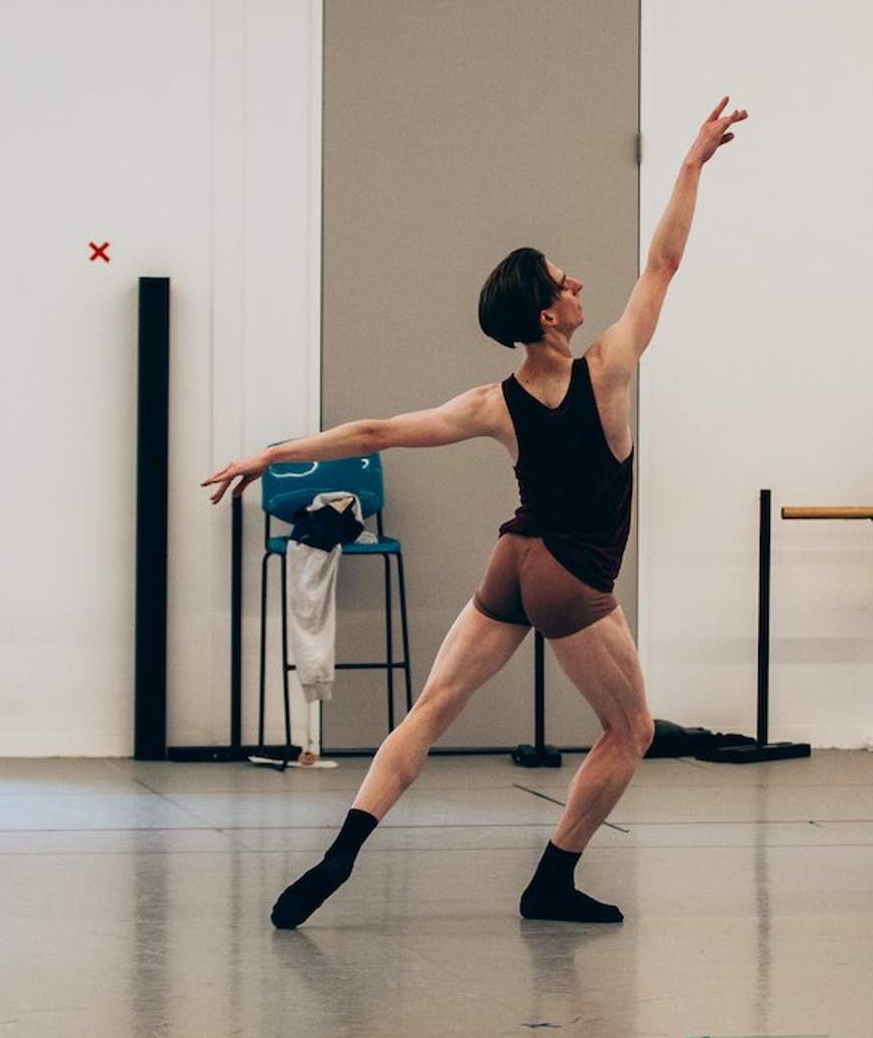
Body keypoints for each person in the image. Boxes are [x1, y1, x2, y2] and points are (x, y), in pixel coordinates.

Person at [203, 98, 752, 928]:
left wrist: (270, 454)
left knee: (430, 710)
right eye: (565, 283)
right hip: (570, 577)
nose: (577, 285)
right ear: (548, 315)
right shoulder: (607, 367)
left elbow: (379, 431)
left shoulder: (494, 402)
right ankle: (551, 882)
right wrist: (689, 165)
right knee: (631, 730)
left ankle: (344, 847)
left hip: (515, 559)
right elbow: (664, 263)